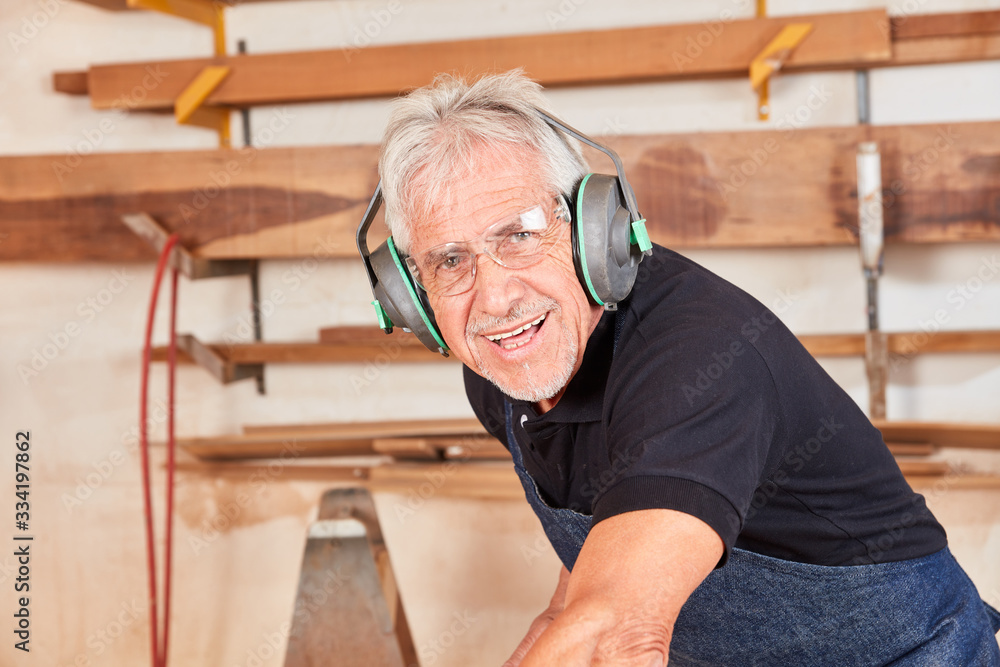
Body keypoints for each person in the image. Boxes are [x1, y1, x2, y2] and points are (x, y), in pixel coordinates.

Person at [365, 70, 1000, 666]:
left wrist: (590, 621)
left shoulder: (701, 359)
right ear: (411, 295)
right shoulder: (505, 367)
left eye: (521, 234)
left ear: (595, 229)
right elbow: (592, 578)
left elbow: (620, 630)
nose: (495, 298)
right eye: (450, 261)